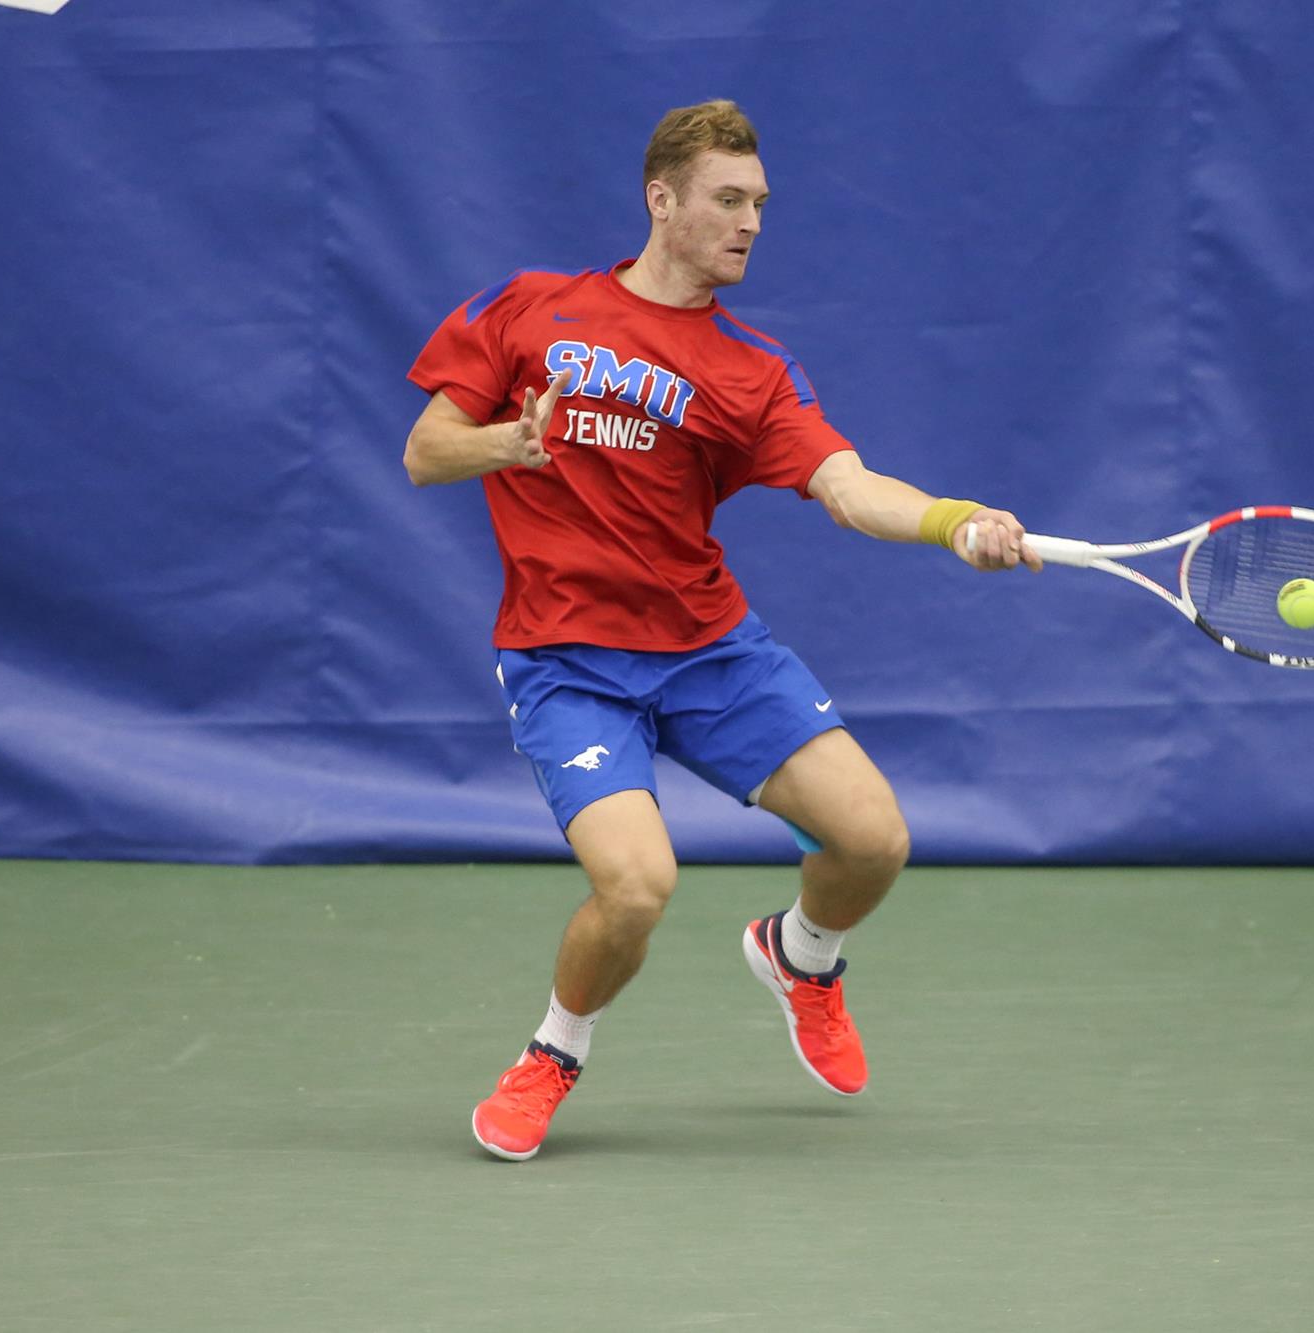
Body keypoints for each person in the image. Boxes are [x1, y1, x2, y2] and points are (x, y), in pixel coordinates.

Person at [403, 99, 1040, 1161]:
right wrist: (509, 443)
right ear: (662, 201)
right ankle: (552, 1053)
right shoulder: (529, 309)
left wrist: (953, 521)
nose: (749, 222)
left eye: (759, 204)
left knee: (874, 837)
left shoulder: (752, 369)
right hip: (567, 662)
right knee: (638, 884)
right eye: (726, 200)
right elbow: (427, 449)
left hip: (709, 650)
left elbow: (846, 485)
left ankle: (802, 954)